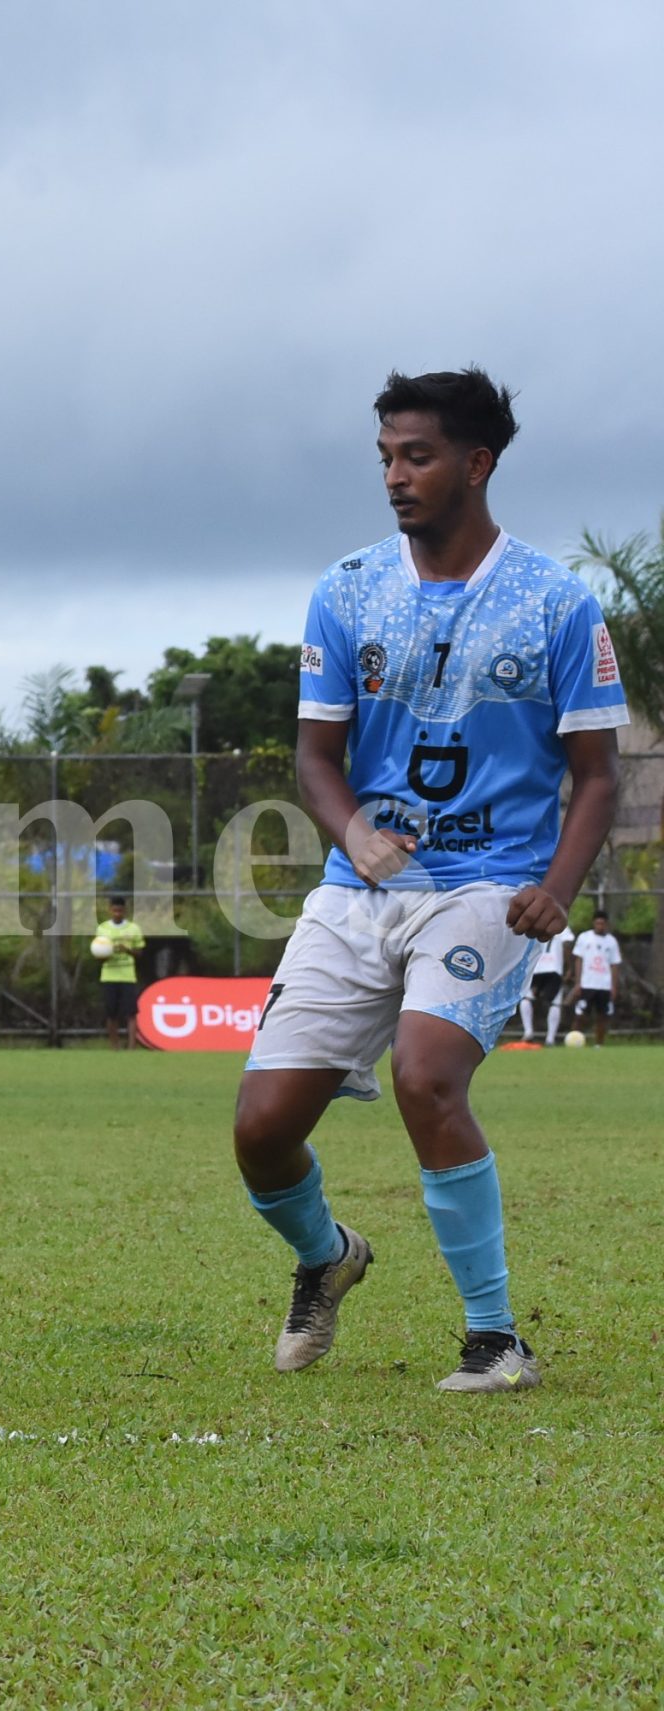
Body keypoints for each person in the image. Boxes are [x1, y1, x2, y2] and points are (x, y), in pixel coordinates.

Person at [234, 368, 622, 1394]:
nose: (396, 476)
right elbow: (315, 758)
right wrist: (352, 831)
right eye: (385, 458)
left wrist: (555, 886)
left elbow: (596, 778)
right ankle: (327, 1255)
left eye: (417, 455)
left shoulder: (554, 602)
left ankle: (495, 1340)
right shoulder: (346, 588)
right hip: (356, 888)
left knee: (425, 1075)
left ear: (476, 462)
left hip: (485, 885)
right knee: (261, 1132)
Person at [93, 895, 147, 1050]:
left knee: (131, 1013)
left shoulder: (133, 928)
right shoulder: (103, 929)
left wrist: (127, 950)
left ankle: (131, 1047)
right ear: (110, 910)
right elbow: (98, 955)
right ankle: (114, 1046)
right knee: (111, 1013)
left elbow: (140, 953)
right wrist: (107, 953)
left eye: (120, 911)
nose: (117, 913)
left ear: (125, 911)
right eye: (115, 910)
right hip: (109, 975)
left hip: (127, 976)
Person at [567, 911, 623, 1047]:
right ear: (594, 923)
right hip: (587, 984)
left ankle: (599, 1044)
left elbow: (614, 965)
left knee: (602, 1016)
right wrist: (578, 983)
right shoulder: (584, 937)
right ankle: (574, 1042)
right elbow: (579, 960)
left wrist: (614, 987)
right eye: (598, 923)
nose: (600, 926)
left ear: (606, 924)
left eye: (603, 923)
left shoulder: (611, 941)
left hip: (604, 985)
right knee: (580, 1015)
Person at [518, 916, 574, 1046]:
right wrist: (569, 967)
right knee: (555, 1003)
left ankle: (528, 1032)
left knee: (527, 998)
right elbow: (567, 944)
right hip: (554, 968)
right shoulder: (561, 922)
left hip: (536, 967)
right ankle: (550, 1039)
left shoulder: (535, 920)